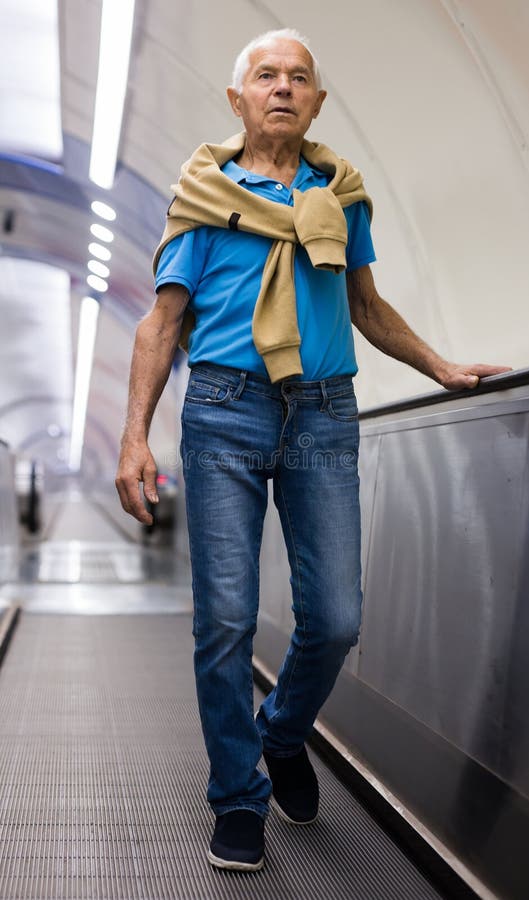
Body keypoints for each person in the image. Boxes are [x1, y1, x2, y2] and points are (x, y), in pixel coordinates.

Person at [115, 28, 510, 872]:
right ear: (238, 99)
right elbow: (162, 321)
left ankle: (282, 733)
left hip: (323, 412)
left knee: (334, 619)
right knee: (223, 620)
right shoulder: (202, 194)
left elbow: (365, 305)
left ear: (318, 102)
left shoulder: (344, 197)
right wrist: (133, 436)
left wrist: (439, 363)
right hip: (222, 408)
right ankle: (237, 795)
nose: (283, 88)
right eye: (266, 76)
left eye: (299, 77)